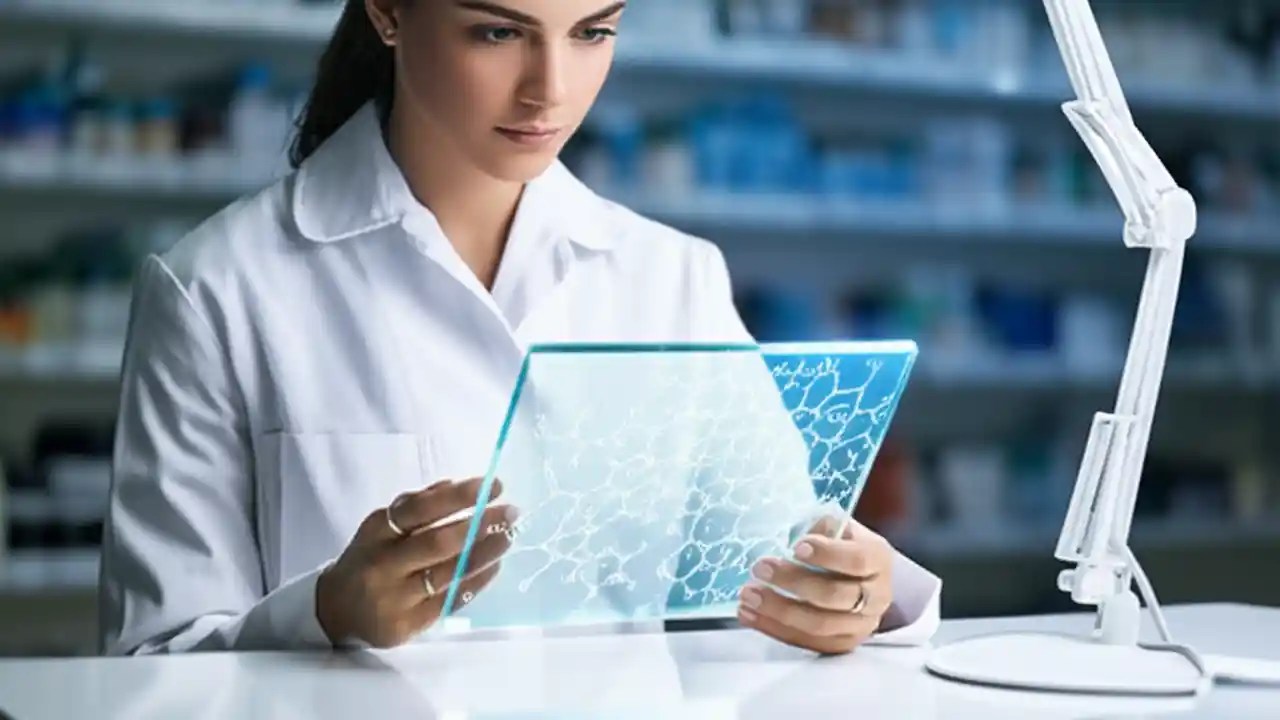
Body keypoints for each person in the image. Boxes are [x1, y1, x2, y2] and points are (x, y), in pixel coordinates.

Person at [99, 0, 941, 656]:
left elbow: (778, 560)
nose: (551, 90)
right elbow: (150, 664)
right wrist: (322, 615)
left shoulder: (671, 278)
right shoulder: (217, 287)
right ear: (388, 12)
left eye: (592, 32)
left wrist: (850, 594)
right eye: (499, 33)